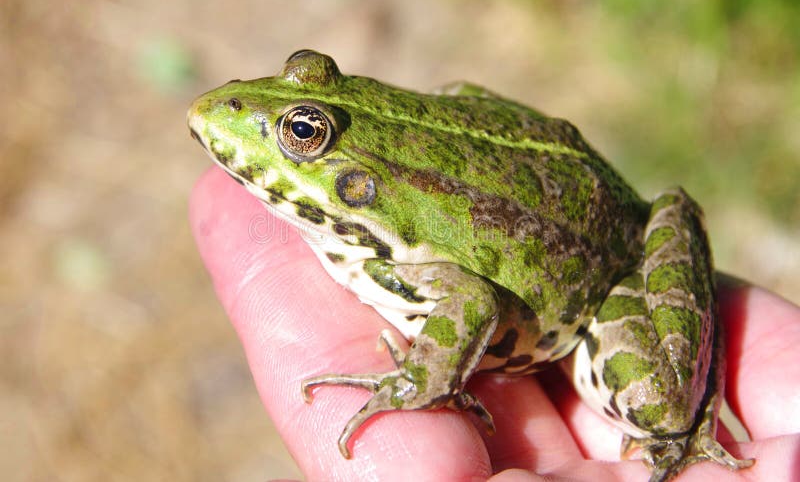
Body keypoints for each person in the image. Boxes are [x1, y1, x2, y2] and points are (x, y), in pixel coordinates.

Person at [190, 167, 800, 481]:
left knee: (661, 404)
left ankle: (691, 419)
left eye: (303, 133)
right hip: (573, 193)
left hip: (603, 282)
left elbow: (472, 304)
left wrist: (414, 380)